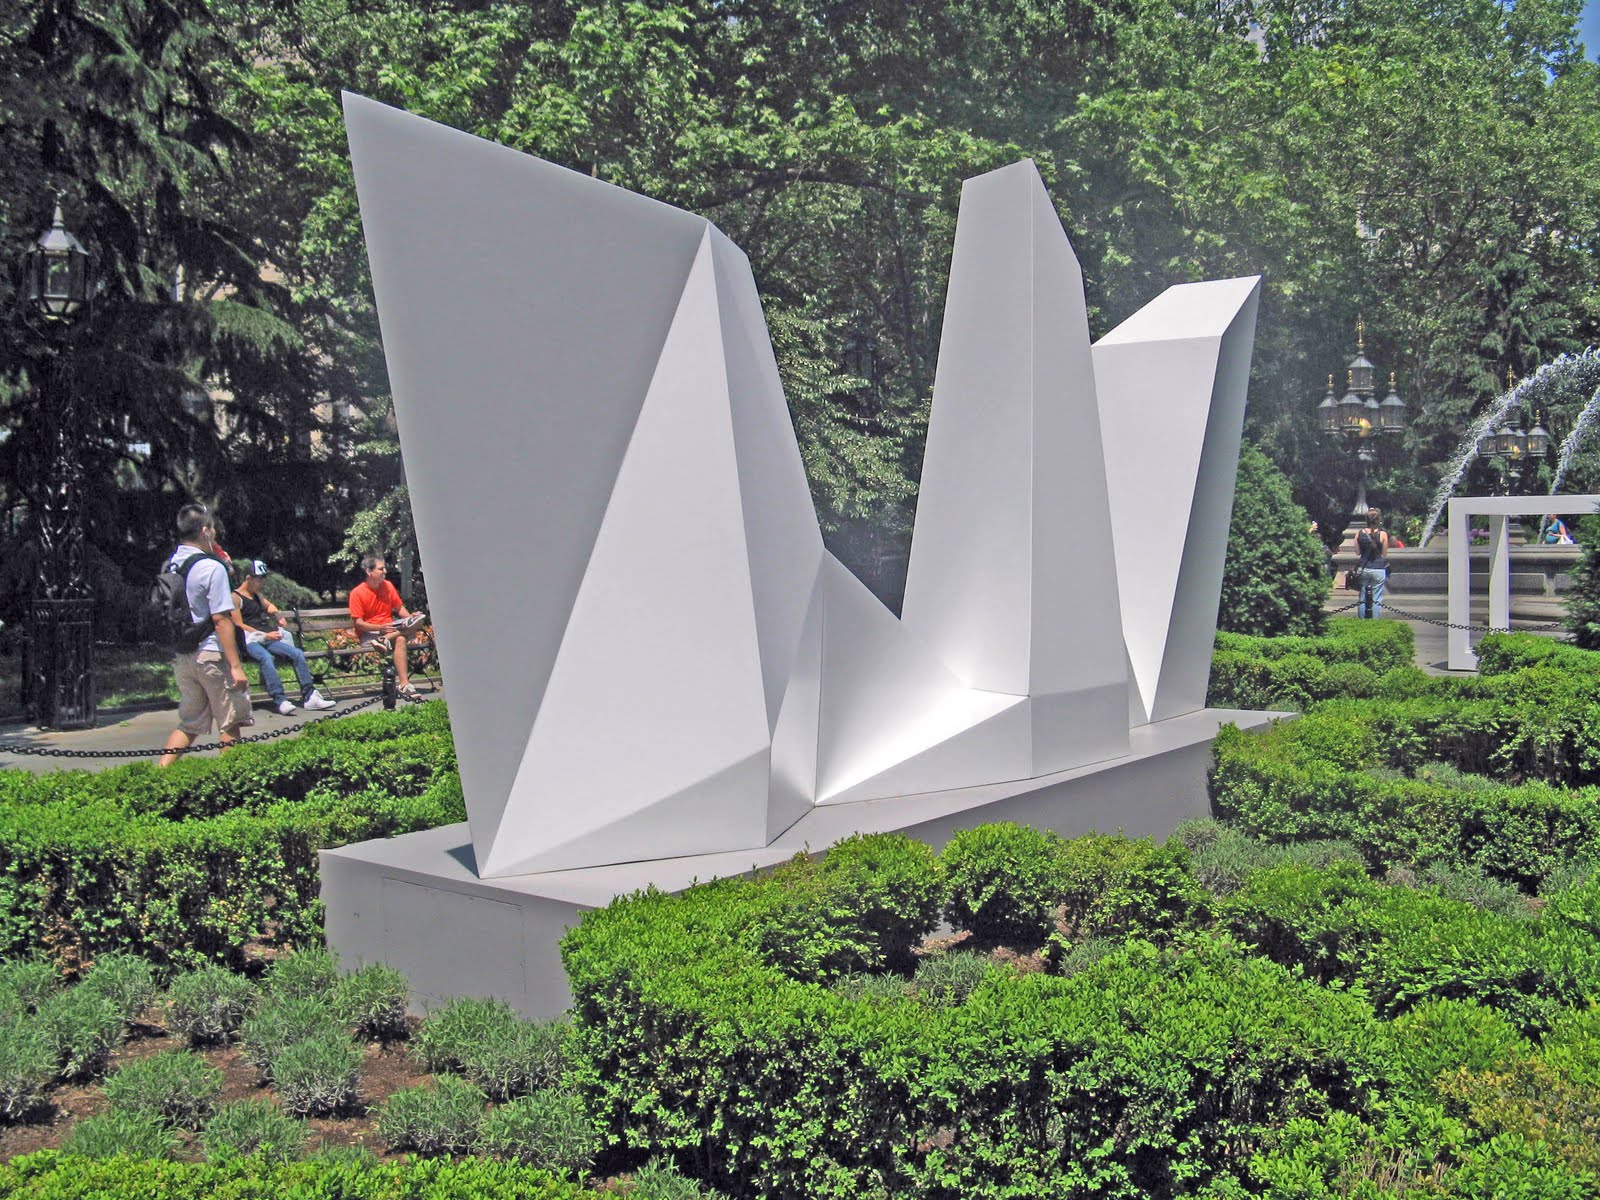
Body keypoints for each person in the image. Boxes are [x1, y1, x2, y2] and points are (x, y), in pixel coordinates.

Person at [158, 504, 253, 767]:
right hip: (211, 654)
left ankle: (158, 778)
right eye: (212, 528)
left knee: (190, 723)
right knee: (230, 721)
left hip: (183, 654)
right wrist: (235, 667)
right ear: (205, 531)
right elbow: (221, 620)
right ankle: (231, 785)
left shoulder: (173, 562)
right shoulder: (212, 567)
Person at [234, 560, 337, 715]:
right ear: (248, 578)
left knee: (297, 653)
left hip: (267, 638)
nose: (262, 583)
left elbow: (269, 606)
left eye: (263, 579)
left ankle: (310, 697)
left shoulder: (257, 595)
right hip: (249, 641)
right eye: (259, 579)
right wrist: (264, 634)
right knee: (266, 658)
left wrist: (277, 615)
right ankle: (280, 699)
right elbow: (238, 624)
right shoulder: (235, 598)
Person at [348, 553, 422, 699]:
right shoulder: (357, 593)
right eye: (381, 569)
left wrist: (410, 618)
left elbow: (399, 608)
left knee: (406, 632)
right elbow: (359, 624)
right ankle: (384, 638)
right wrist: (379, 629)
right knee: (402, 636)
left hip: (390, 631)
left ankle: (404, 684)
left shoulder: (387, 586)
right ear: (369, 572)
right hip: (370, 634)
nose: (385, 572)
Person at [1355, 507, 1391, 619]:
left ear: (1366, 519)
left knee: (1362, 596)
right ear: (1378, 519)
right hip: (1378, 568)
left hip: (1364, 568)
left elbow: (1357, 552)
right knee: (1377, 598)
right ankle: (1375, 623)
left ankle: (1362, 621)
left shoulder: (1359, 533)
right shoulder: (1383, 534)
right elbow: (1384, 554)